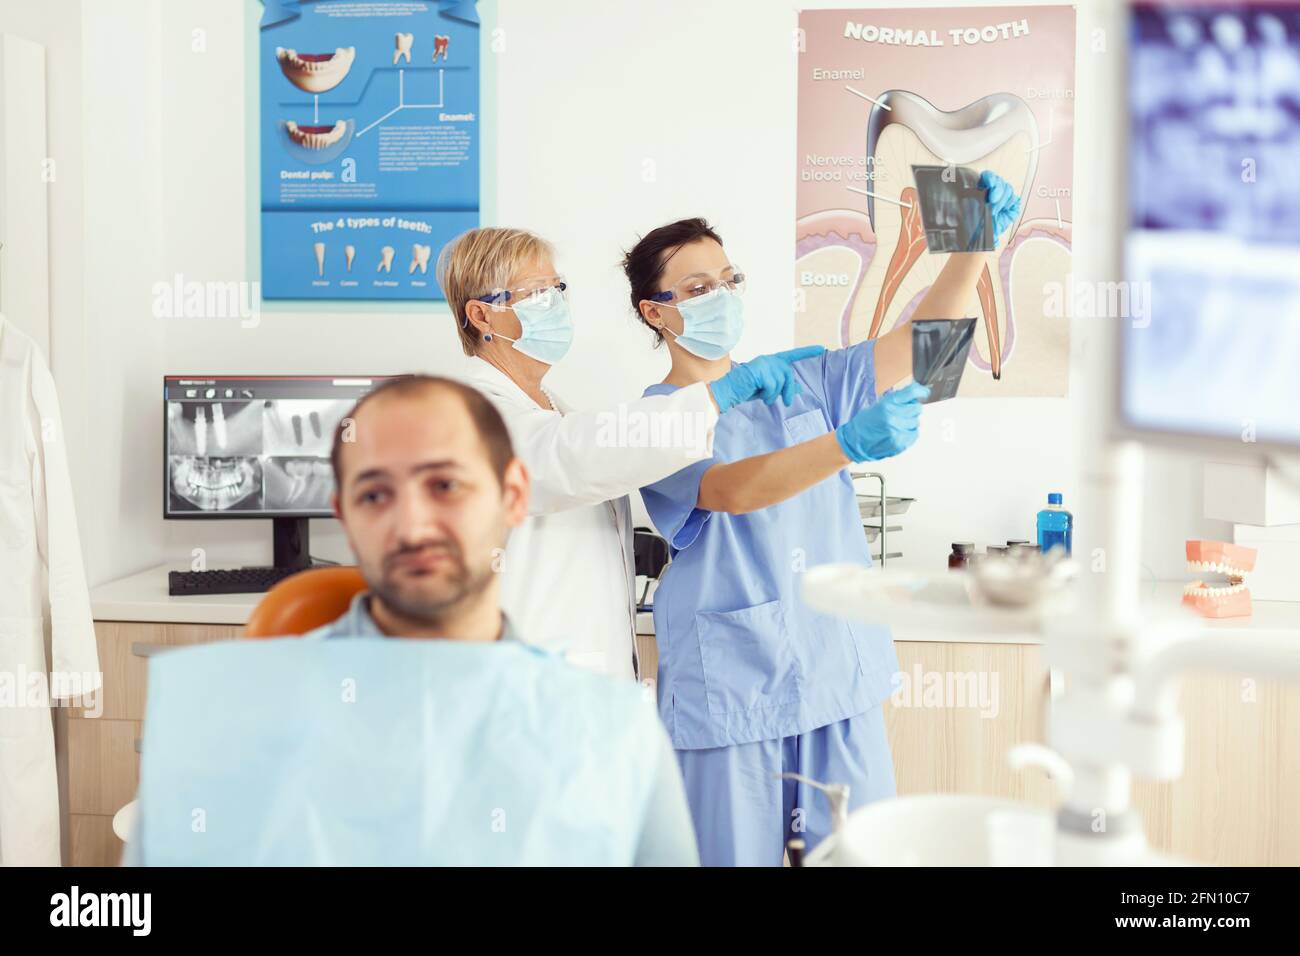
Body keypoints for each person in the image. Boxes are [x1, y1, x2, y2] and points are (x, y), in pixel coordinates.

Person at [127, 376, 699, 865]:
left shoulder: (613, 734)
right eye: (376, 495)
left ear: (513, 495)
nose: (413, 525)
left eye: (445, 485)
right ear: (344, 516)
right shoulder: (214, 720)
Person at [625, 173, 1022, 866]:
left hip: (836, 675)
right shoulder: (653, 422)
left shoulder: (802, 381)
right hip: (732, 695)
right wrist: (844, 444)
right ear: (654, 313)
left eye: (728, 278)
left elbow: (927, 349)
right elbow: (731, 491)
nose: (720, 296)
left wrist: (973, 249)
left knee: (859, 857)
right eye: (695, 289)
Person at [436, 227, 822, 678]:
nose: (555, 304)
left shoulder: (556, 410)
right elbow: (567, 458)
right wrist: (715, 397)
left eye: (556, 289)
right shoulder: (468, 415)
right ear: (482, 317)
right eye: (536, 293)